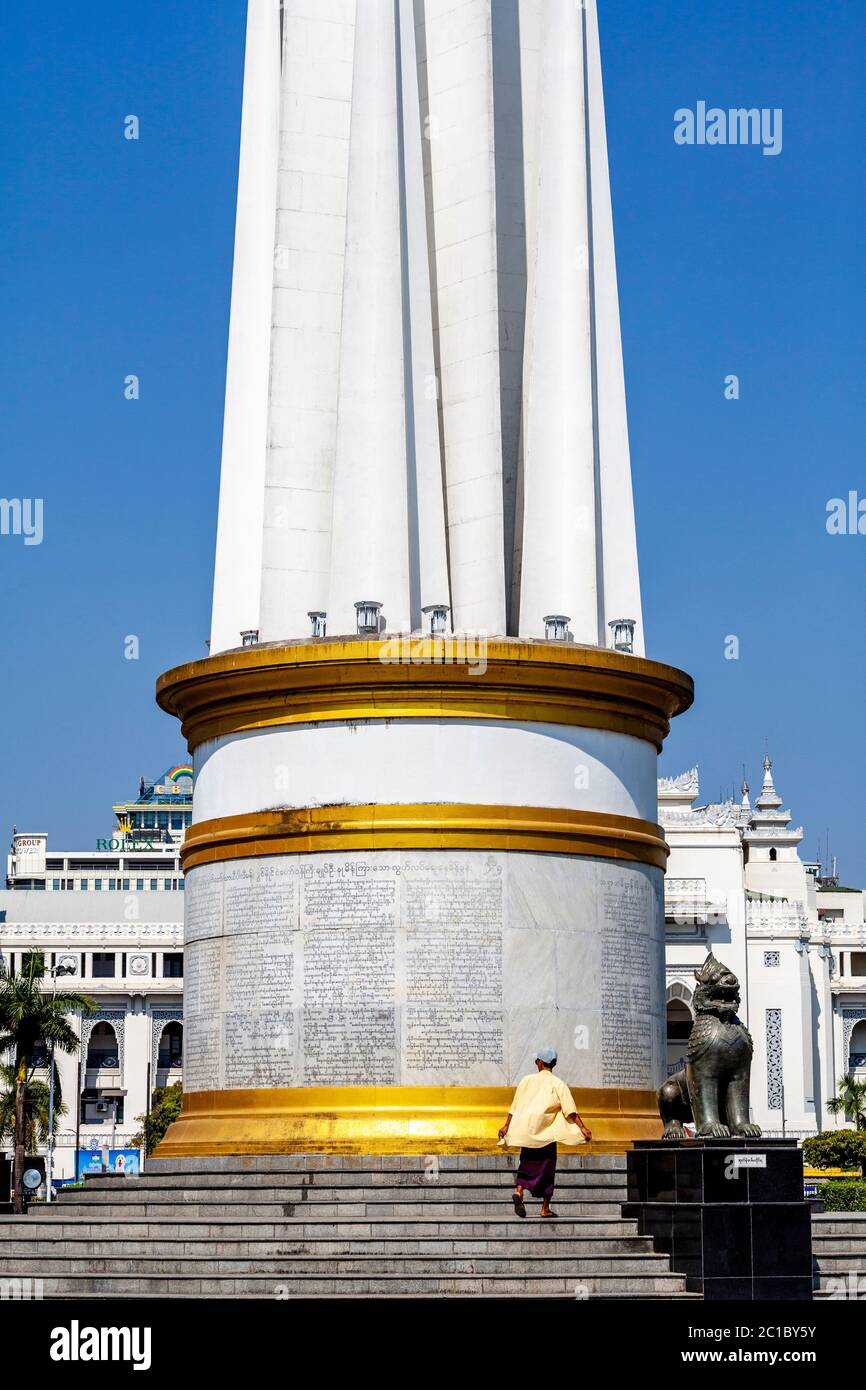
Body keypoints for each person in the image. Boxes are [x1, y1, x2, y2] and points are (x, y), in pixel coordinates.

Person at [498, 1047, 592, 1218]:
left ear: (540, 1063)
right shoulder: (558, 1084)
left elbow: (515, 1106)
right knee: (547, 1169)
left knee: (526, 1162)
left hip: (529, 1132)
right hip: (548, 1134)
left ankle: (519, 1193)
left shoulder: (527, 1080)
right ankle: (544, 1208)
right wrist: (582, 1128)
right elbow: (570, 1111)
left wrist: (506, 1126)